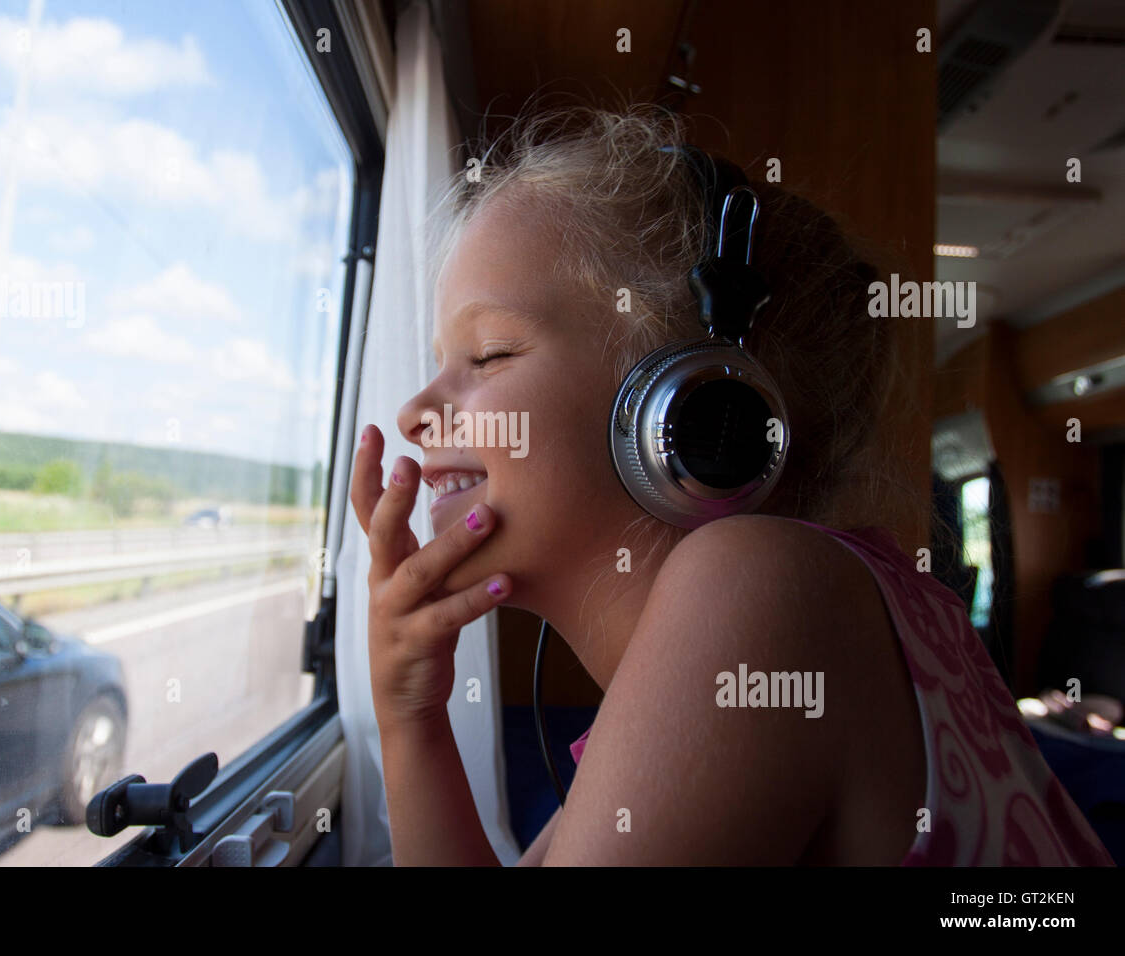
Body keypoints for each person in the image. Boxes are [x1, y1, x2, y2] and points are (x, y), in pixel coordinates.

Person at [349, 101, 1116, 866]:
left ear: (689, 405)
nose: (416, 410)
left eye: (488, 355)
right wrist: (411, 717)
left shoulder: (757, 591)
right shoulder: (760, 621)